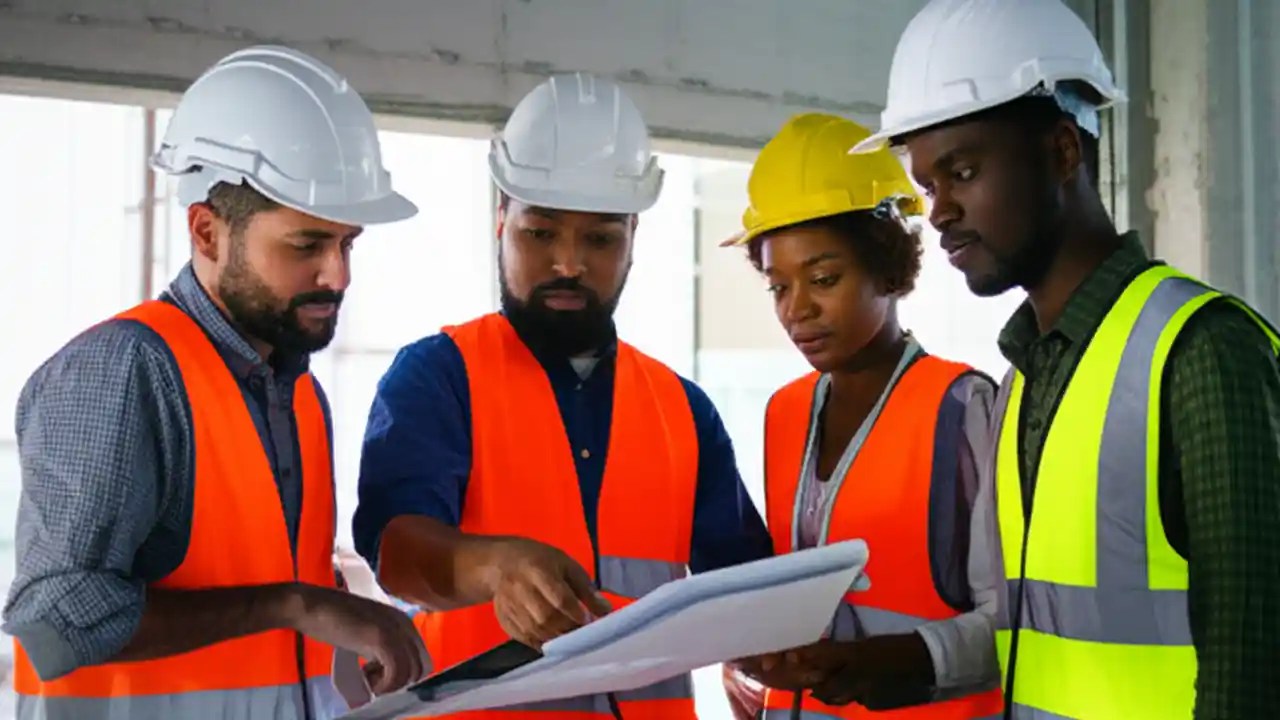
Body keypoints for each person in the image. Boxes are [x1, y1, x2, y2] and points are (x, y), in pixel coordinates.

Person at [853, 0, 1280, 717]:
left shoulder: (1202, 353)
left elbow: (1254, 666)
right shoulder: (1028, 377)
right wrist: (897, 662)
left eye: (962, 171)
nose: (940, 211)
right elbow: (1044, 636)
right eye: (929, 186)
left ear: (1062, 152)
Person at [3, 45, 430, 720]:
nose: (337, 275)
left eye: (347, 244)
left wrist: (336, 633)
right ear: (207, 231)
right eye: (305, 245)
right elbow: (55, 620)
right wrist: (294, 605)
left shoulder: (297, 394)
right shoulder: (122, 373)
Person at [355, 71, 774, 720]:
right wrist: (492, 568)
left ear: (634, 236)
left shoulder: (683, 411)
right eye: (541, 233)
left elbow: (745, 590)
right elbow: (397, 552)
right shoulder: (439, 376)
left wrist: (771, 650)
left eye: (599, 238)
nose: (569, 263)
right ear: (501, 219)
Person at [722, 113, 1005, 719]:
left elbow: (1014, 622)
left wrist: (907, 660)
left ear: (888, 266)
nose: (797, 310)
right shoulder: (785, 412)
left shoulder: (962, 406)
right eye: (778, 286)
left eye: (823, 278)